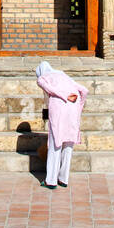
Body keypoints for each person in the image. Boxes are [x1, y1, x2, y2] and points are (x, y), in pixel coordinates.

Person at [34, 60, 88, 189]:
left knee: (55, 143)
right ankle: (63, 179)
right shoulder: (63, 75)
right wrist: (79, 108)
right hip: (74, 107)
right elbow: (84, 90)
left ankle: (51, 181)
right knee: (69, 143)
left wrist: (65, 96)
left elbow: (51, 90)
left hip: (59, 107)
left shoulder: (42, 78)